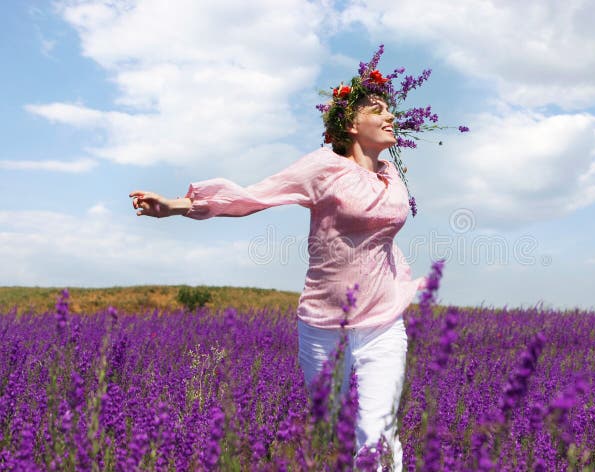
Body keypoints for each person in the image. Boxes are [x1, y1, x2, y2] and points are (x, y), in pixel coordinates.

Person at [128, 50, 437, 469]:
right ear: (351, 124)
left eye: (390, 110)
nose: (390, 116)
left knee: (379, 435)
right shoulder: (322, 168)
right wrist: (176, 206)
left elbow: (380, 235)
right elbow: (254, 196)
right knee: (337, 430)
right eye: (377, 109)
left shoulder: (392, 175)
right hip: (324, 325)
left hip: (383, 321)